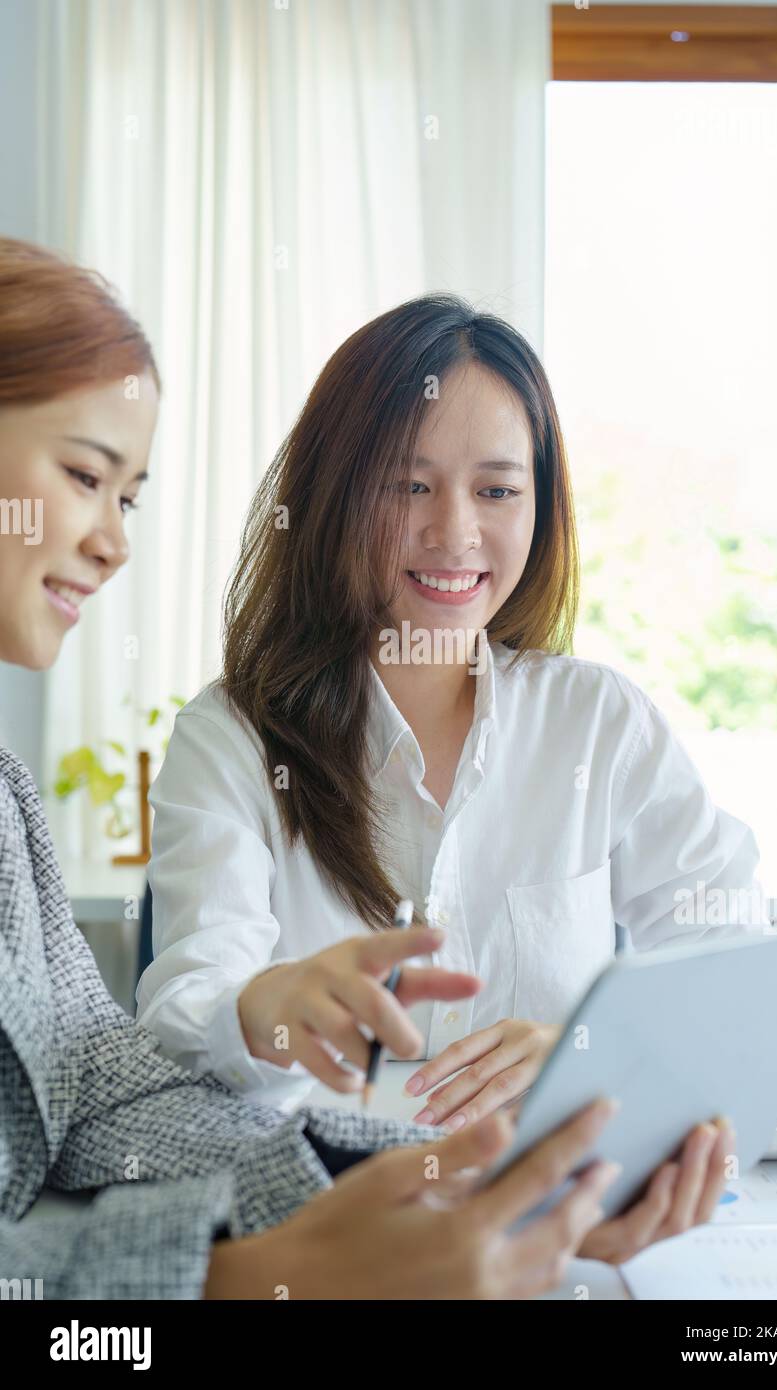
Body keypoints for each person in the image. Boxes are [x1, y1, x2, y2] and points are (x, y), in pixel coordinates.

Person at [0, 238, 730, 1299]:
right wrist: (256, 1276)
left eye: (130, 498)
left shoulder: (9, 801)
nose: (113, 543)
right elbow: (166, 1042)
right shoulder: (238, 739)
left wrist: (496, 1194)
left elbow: (97, 1090)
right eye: (83, 476)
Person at [138, 293, 767, 1135]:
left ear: (539, 511)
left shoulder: (597, 725)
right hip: (327, 1212)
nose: (455, 531)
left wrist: (589, 1050)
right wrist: (268, 1007)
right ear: (334, 497)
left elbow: (732, 947)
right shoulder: (234, 741)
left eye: (498, 489)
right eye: (409, 484)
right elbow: (185, 1013)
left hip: (556, 1204)